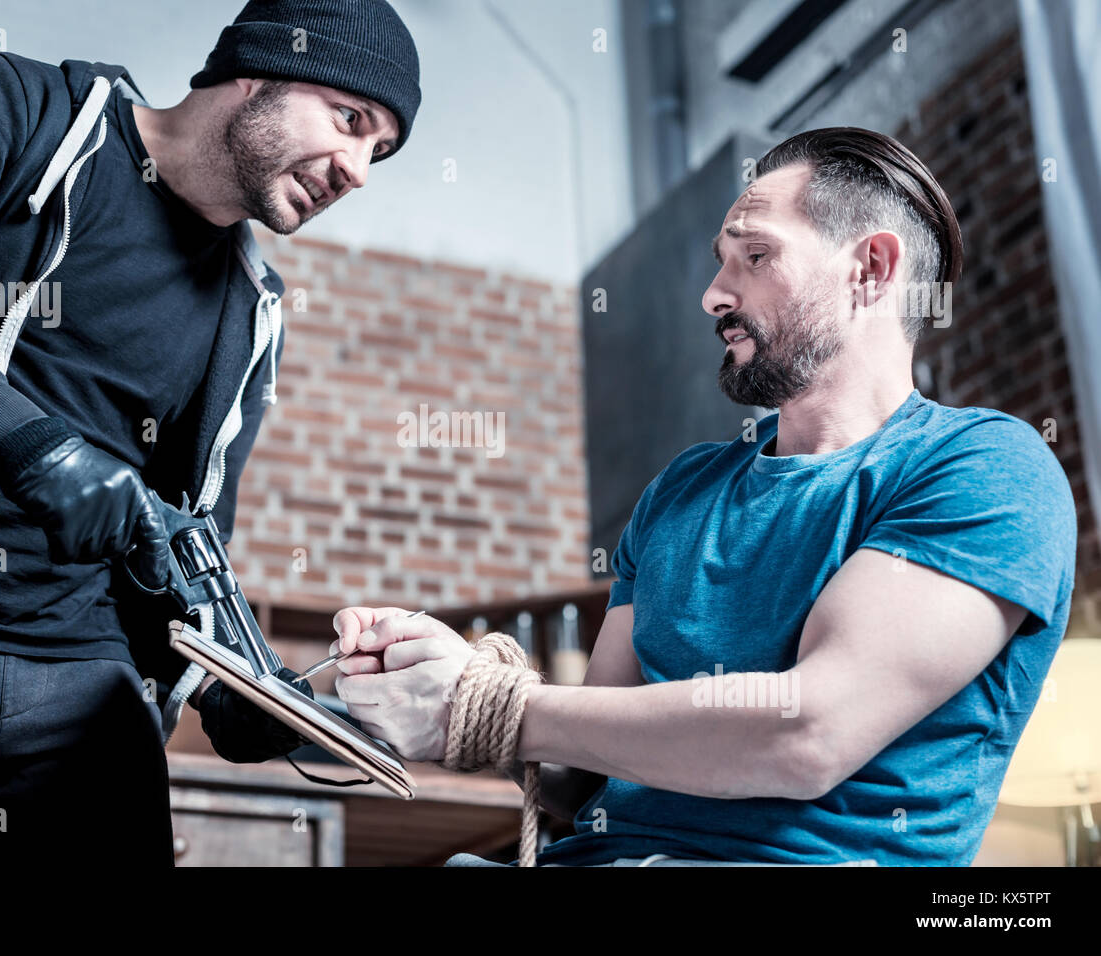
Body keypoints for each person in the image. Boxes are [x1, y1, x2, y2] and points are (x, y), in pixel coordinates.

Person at [329, 128, 1077, 866]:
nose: (714, 295)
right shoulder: (683, 490)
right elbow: (584, 776)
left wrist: (505, 706)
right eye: (721, 261)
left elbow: (805, 735)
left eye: (756, 256)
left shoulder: (986, 469)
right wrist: (448, 688)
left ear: (871, 269)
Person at [0, 0, 421, 866]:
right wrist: (32, 446)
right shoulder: (23, 112)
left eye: (378, 152)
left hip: (76, 670)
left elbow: (184, 534)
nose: (357, 171)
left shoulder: (251, 314)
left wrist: (226, 677)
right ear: (257, 70)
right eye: (350, 121)